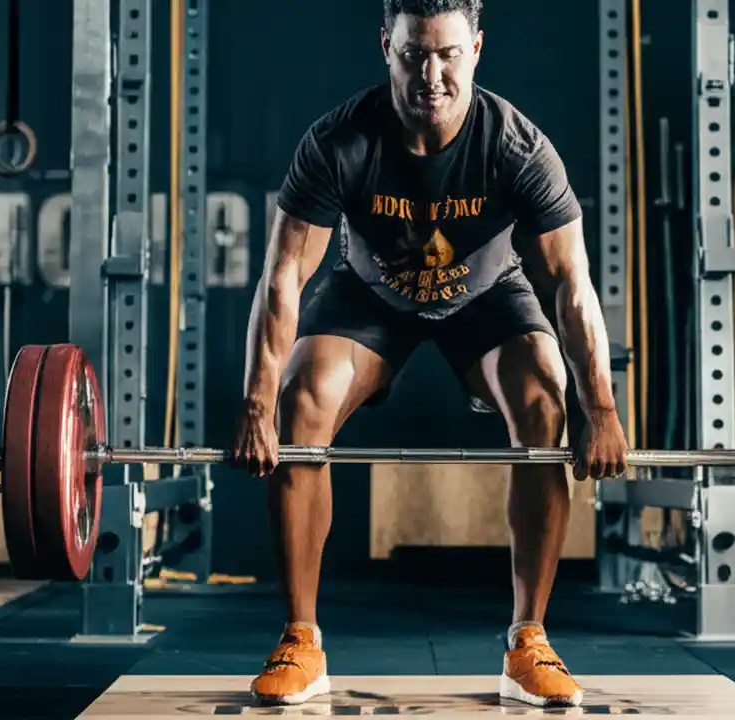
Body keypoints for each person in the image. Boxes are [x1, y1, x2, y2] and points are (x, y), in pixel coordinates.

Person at [232, 0, 629, 708]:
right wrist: (256, 405)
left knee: (543, 399)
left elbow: (570, 286)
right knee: (303, 400)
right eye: (415, 54)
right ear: (387, 45)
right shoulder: (339, 142)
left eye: (448, 53)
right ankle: (301, 638)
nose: (432, 74)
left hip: (488, 298)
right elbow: (284, 276)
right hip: (367, 297)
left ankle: (528, 640)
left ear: (476, 47)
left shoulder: (517, 148)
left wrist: (597, 405)